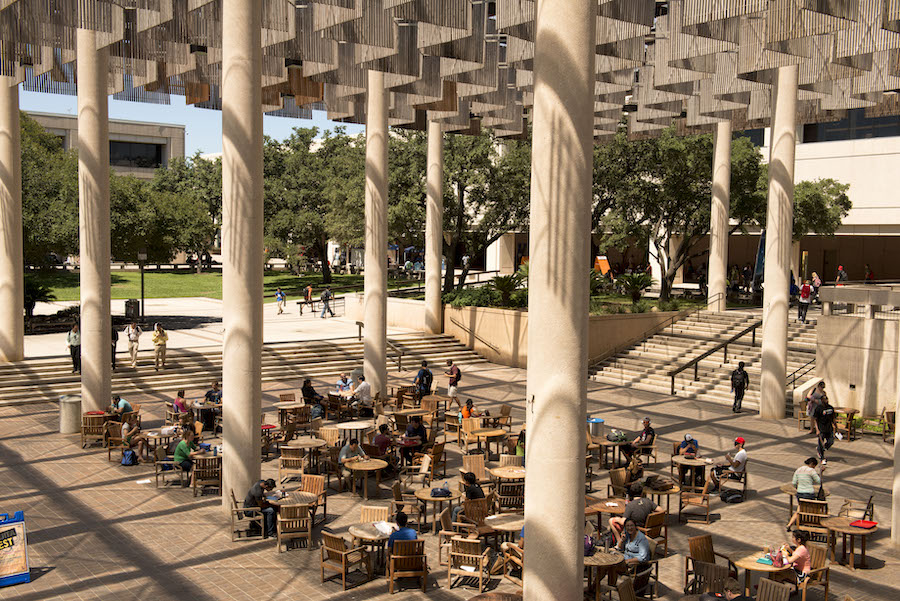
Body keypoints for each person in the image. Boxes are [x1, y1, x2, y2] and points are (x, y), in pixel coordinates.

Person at [786, 458, 821, 530]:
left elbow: (794, 482)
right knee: (810, 509)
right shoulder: (811, 471)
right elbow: (818, 481)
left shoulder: (798, 470)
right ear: (812, 464)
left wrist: (797, 488)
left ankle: (790, 524)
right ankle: (808, 524)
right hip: (809, 493)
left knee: (800, 508)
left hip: (800, 493)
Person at [812, 393, 836, 465]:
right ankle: (822, 458)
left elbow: (833, 418)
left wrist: (836, 427)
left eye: (827, 399)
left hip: (829, 428)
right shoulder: (818, 408)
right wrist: (817, 429)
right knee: (821, 443)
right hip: (821, 428)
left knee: (831, 441)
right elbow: (815, 419)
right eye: (824, 399)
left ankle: (820, 449)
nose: (826, 401)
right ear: (822, 400)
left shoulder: (831, 408)